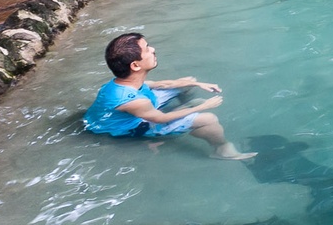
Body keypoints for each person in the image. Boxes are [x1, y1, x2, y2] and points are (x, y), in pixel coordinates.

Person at [83, 33, 254, 159]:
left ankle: (187, 115)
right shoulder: (134, 101)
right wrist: (202, 107)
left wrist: (197, 84)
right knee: (208, 119)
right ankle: (221, 150)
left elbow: (160, 84)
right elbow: (160, 119)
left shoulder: (124, 82)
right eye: (147, 49)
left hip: (134, 111)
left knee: (186, 82)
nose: (153, 49)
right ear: (135, 65)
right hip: (128, 129)